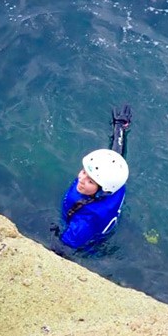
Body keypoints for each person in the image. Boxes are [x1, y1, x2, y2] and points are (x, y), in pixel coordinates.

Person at [57, 105, 132, 250]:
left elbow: (64, 248)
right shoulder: (113, 181)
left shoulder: (83, 223)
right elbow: (115, 158)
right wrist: (119, 128)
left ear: (101, 190)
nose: (81, 179)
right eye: (84, 172)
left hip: (89, 242)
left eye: (90, 181)